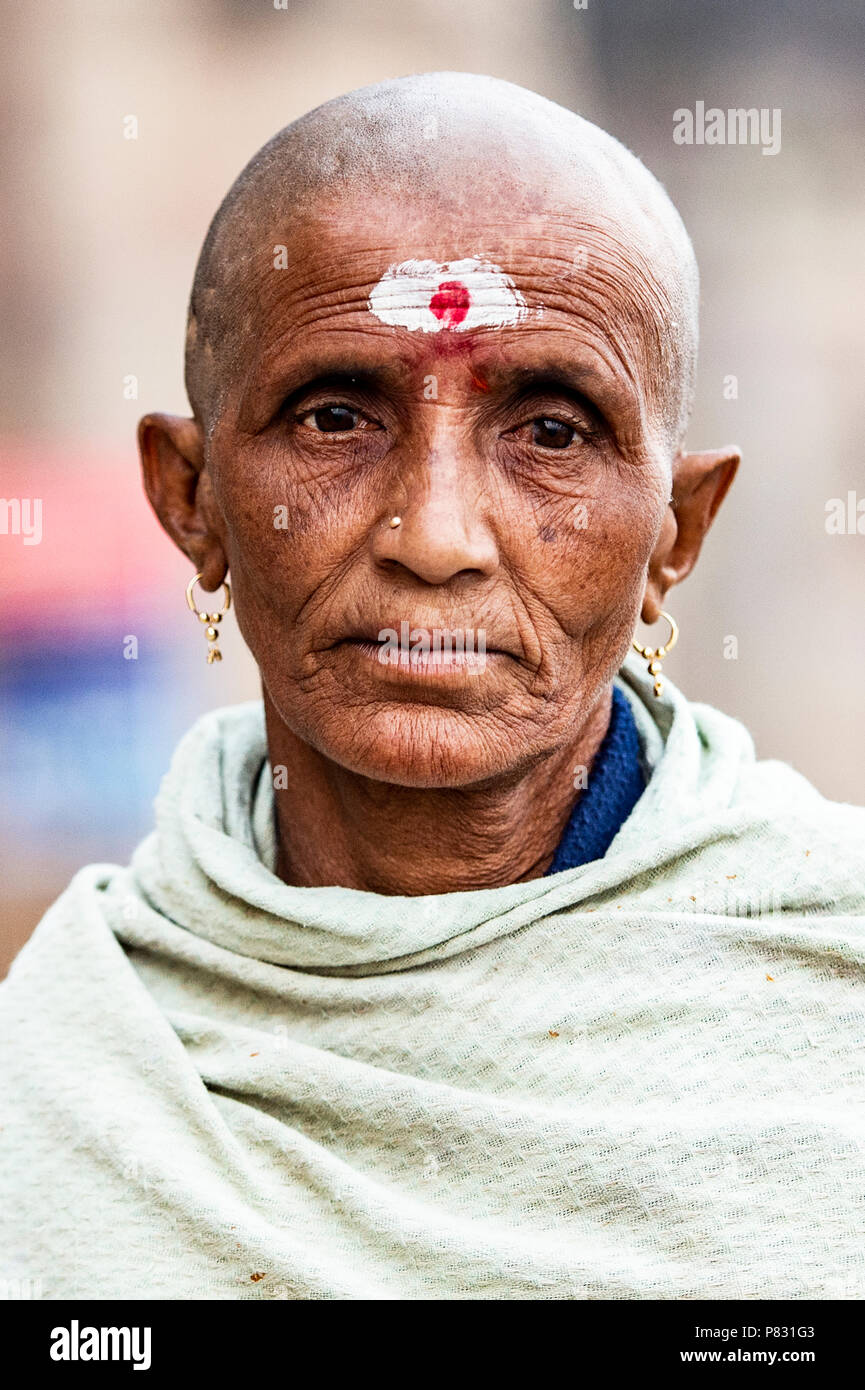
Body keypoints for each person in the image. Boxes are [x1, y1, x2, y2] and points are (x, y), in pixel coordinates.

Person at [2, 72, 863, 1301]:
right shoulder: (70, 1062)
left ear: (676, 531)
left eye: (552, 432)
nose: (438, 533)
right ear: (191, 500)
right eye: (336, 417)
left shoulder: (833, 975)